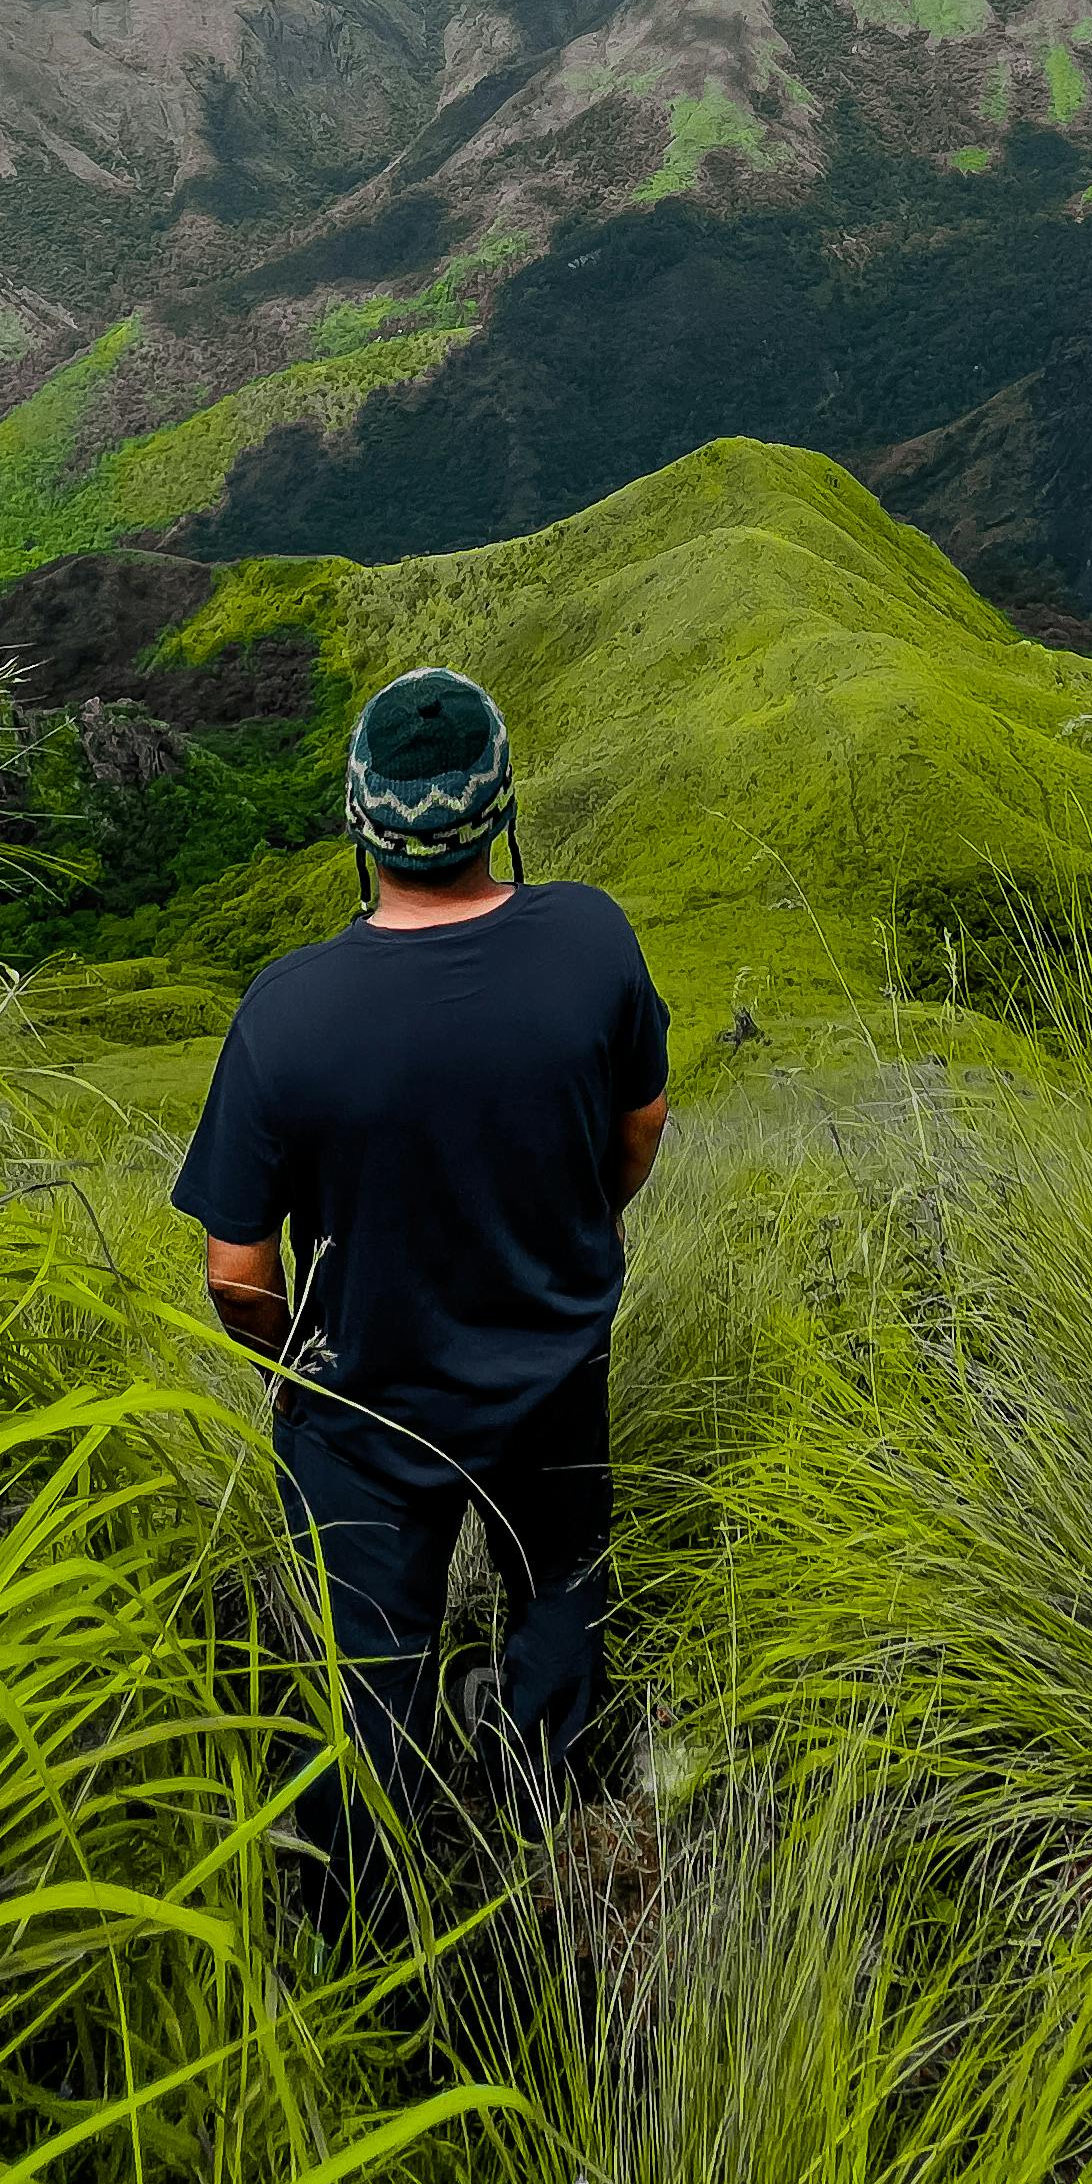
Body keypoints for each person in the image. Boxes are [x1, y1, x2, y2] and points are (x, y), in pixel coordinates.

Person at [171, 665, 670, 1924]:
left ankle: (362, 1940)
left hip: (366, 1407)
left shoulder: (289, 1014)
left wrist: (299, 1361)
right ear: (500, 805)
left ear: (361, 824)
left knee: (357, 1690)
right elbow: (641, 1122)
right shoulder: (591, 940)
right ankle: (543, 1854)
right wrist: (573, 1234)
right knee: (555, 1600)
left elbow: (235, 1272)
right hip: (553, 1367)